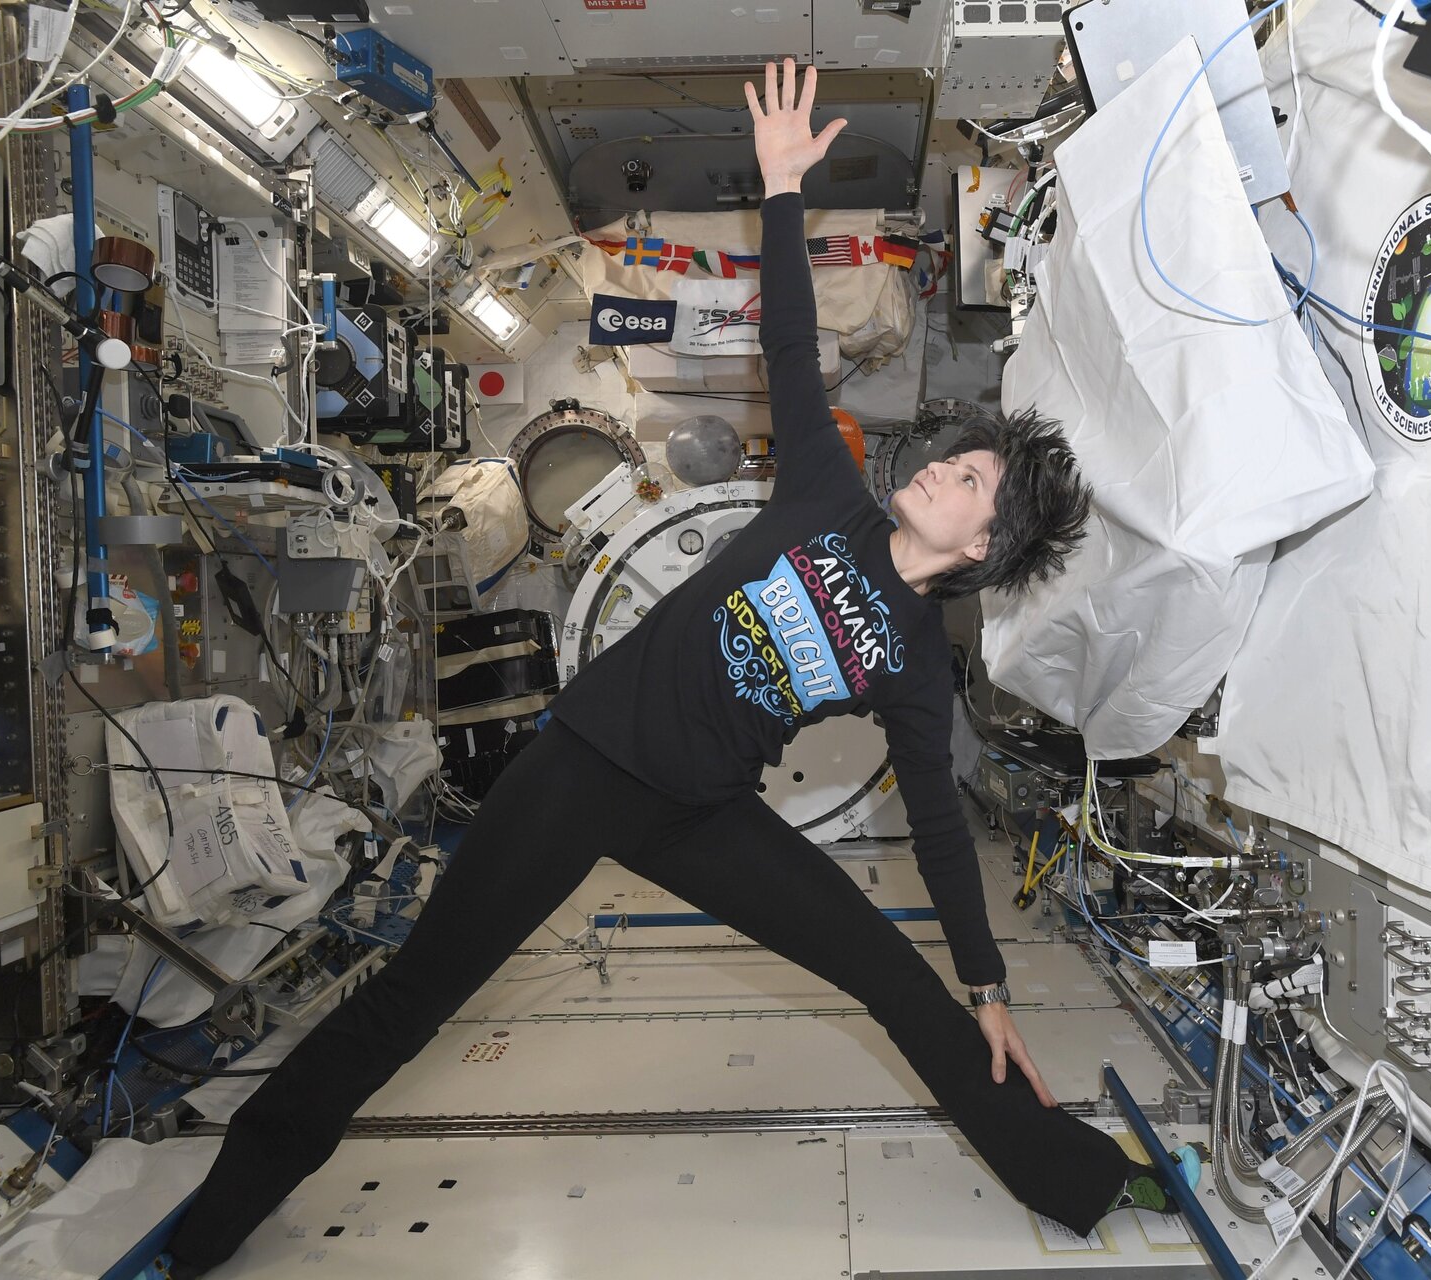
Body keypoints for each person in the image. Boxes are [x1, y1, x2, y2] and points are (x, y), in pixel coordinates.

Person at [166, 59, 1170, 1276]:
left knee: (891, 976)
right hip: (583, 763)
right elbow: (792, 341)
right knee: (412, 994)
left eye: (971, 485)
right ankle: (210, 1227)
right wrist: (784, 194)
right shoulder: (821, 493)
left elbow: (943, 829)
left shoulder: (912, 656)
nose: (945, 469)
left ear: (982, 547)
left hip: (702, 807)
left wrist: (988, 977)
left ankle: (1081, 1175)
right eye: (958, 457)